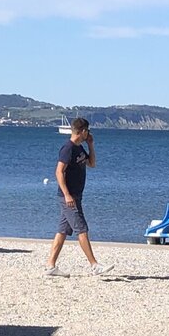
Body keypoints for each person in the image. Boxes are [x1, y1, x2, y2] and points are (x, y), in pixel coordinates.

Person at [47, 118, 109, 277]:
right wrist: (67, 195)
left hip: (76, 196)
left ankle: (50, 266)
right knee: (82, 229)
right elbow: (58, 172)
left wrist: (91, 144)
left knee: (62, 231)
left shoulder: (79, 148)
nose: (88, 133)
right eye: (87, 131)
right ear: (82, 131)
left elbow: (92, 163)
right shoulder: (67, 149)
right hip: (69, 197)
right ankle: (94, 265)